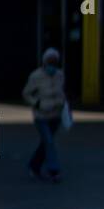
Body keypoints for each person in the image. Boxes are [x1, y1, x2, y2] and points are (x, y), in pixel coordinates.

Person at [23, 47, 67, 182]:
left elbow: (61, 91)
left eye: (54, 63)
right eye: (50, 63)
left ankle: (34, 166)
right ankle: (54, 171)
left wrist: (62, 102)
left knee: (47, 143)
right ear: (44, 62)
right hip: (41, 116)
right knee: (49, 141)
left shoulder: (60, 75)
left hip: (56, 115)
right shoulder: (36, 76)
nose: (52, 66)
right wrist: (37, 104)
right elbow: (26, 93)